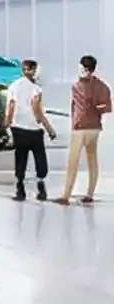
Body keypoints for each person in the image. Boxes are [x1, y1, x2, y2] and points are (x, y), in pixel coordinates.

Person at [56, 55, 111, 206]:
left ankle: (66, 195)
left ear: (83, 67)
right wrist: (96, 109)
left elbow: (76, 109)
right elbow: (107, 106)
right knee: (92, 160)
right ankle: (90, 194)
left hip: (80, 128)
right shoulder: (102, 86)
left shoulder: (77, 85)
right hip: (95, 127)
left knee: (72, 162)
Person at [5, 59, 57, 201]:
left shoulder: (13, 86)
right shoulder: (36, 89)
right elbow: (37, 109)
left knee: (20, 158)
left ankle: (20, 189)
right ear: (33, 70)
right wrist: (49, 128)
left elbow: (10, 107)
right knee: (39, 158)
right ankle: (41, 188)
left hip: (18, 128)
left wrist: (7, 125)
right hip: (34, 128)